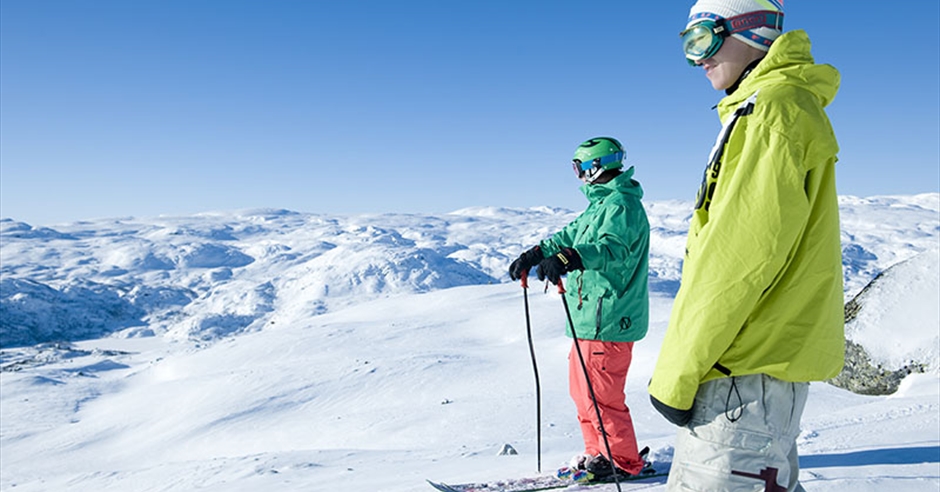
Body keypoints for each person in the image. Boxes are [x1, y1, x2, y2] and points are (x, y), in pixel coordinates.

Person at [647, 1, 845, 491]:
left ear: (749, 32)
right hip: (760, 376)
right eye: (687, 46)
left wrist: (676, 374)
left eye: (702, 42)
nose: (697, 61)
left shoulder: (769, 112)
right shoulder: (779, 107)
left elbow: (738, 259)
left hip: (740, 377)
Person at [509, 137, 650, 481]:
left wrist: (573, 257)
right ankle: (598, 453)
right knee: (584, 395)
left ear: (595, 167)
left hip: (609, 319)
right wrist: (538, 253)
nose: (578, 175)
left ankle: (623, 462)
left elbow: (612, 248)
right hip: (588, 319)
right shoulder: (600, 205)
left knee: (602, 398)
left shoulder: (621, 206)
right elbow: (570, 235)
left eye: (580, 168)